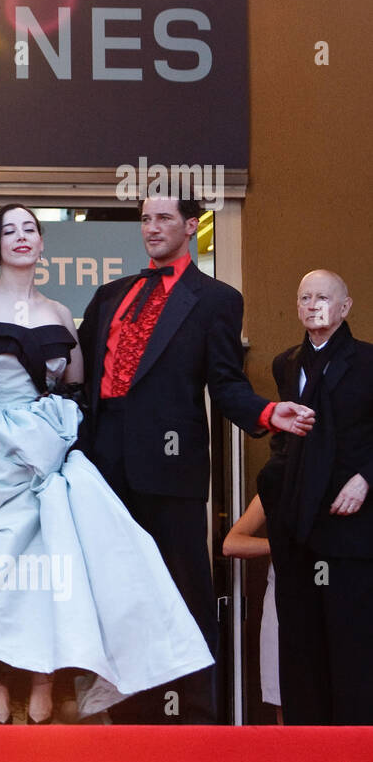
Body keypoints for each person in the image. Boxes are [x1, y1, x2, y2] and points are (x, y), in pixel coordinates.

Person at [0, 204, 211, 724]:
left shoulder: (63, 313)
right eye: (8, 230)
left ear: (43, 244)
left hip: (52, 452)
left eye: (30, 229)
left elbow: (79, 389)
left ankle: (46, 682)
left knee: (55, 572)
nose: (21, 237)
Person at [78, 196, 314, 723]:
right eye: (145, 219)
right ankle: (130, 716)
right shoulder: (109, 295)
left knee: (183, 593)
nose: (152, 227)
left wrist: (268, 411)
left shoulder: (215, 299)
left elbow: (226, 382)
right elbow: (83, 384)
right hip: (103, 468)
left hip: (170, 468)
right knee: (117, 595)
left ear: (191, 226)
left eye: (164, 218)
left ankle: (193, 720)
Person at [264, 269, 373, 724]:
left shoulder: (368, 362)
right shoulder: (286, 363)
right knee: (300, 644)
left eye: (323, 297)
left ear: (345, 307)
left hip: (350, 526)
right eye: (304, 296)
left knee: (350, 647)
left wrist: (366, 477)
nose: (313, 305)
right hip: (297, 528)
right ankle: (307, 751)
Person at [221, 494, 282, 723]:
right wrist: (279, 545)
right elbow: (231, 543)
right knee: (283, 695)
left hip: (334, 599)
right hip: (283, 600)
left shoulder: (347, 483)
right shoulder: (277, 480)